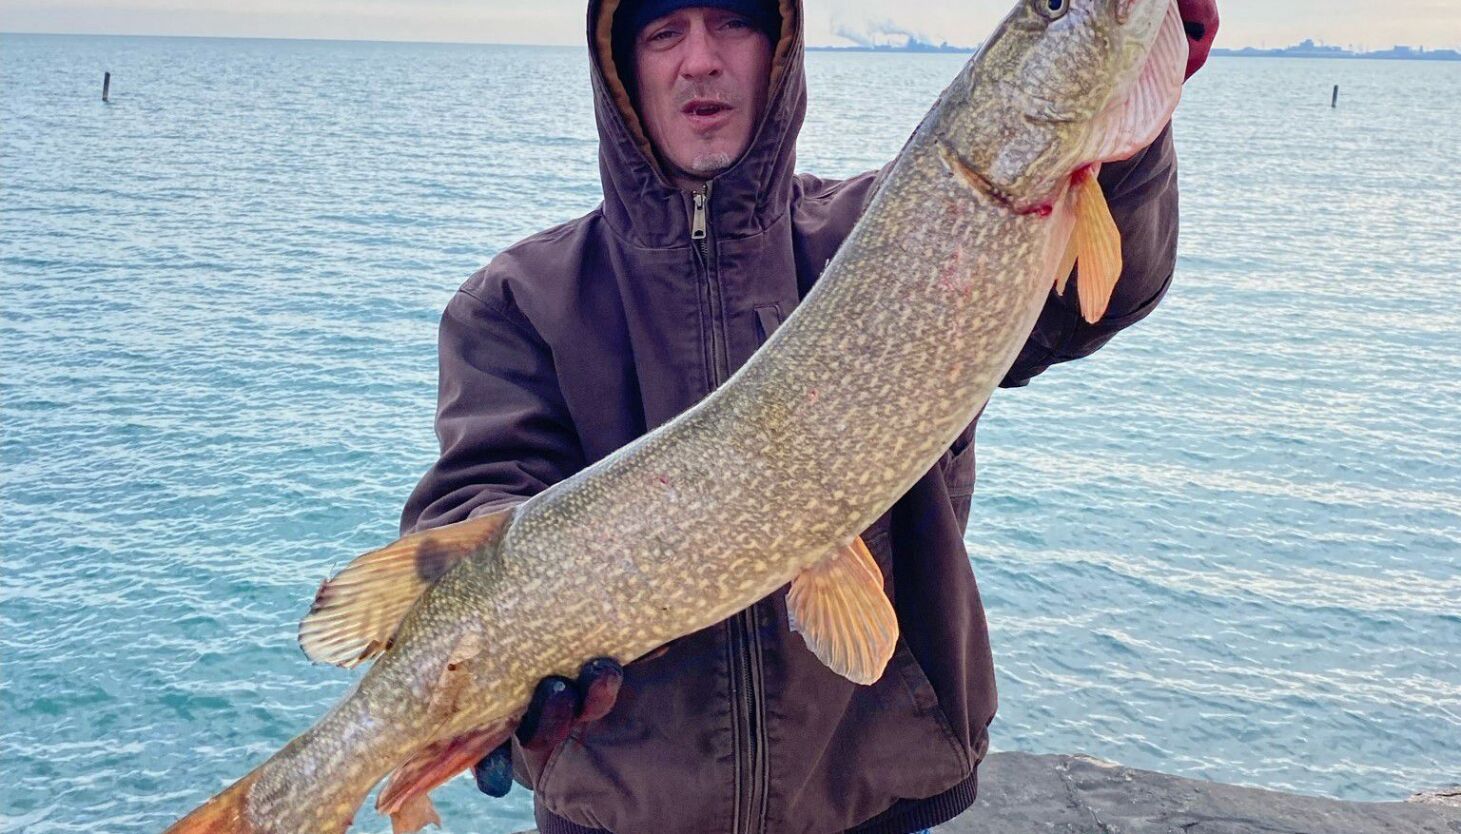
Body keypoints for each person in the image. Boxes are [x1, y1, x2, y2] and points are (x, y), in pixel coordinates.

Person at [399, 0, 1219, 831]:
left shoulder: (895, 234)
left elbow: (1090, 302)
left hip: (871, 794)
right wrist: (508, 654)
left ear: (779, 51)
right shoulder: (518, 301)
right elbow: (478, 498)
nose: (700, 60)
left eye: (733, 23)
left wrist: (1133, 128)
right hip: (622, 809)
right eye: (662, 33)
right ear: (620, 67)